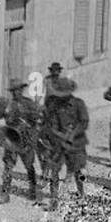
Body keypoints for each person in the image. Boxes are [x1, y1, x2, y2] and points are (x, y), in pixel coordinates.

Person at [40, 77, 88, 211]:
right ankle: (54, 199)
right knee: (54, 170)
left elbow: (84, 122)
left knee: (78, 169)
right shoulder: (55, 107)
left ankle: (81, 194)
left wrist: (72, 134)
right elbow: (52, 125)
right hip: (60, 143)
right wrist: (61, 136)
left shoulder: (79, 104)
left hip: (76, 142)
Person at [0, 80, 41, 204]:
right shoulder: (9, 104)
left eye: (18, 90)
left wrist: (30, 123)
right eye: (13, 91)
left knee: (29, 166)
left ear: (22, 90)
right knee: (8, 166)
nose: (16, 93)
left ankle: (33, 190)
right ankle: (5, 194)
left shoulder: (28, 103)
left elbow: (37, 118)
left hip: (26, 140)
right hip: (11, 139)